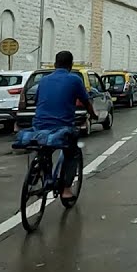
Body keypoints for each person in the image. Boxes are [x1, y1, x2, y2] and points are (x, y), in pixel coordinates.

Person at [31, 50, 92, 200]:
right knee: (72, 153)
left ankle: (42, 173)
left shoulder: (44, 80)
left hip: (40, 125)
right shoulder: (74, 80)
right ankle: (66, 190)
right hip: (62, 126)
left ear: (55, 64)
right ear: (70, 65)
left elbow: (36, 100)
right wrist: (94, 114)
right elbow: (86, 101)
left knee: (45, 148)